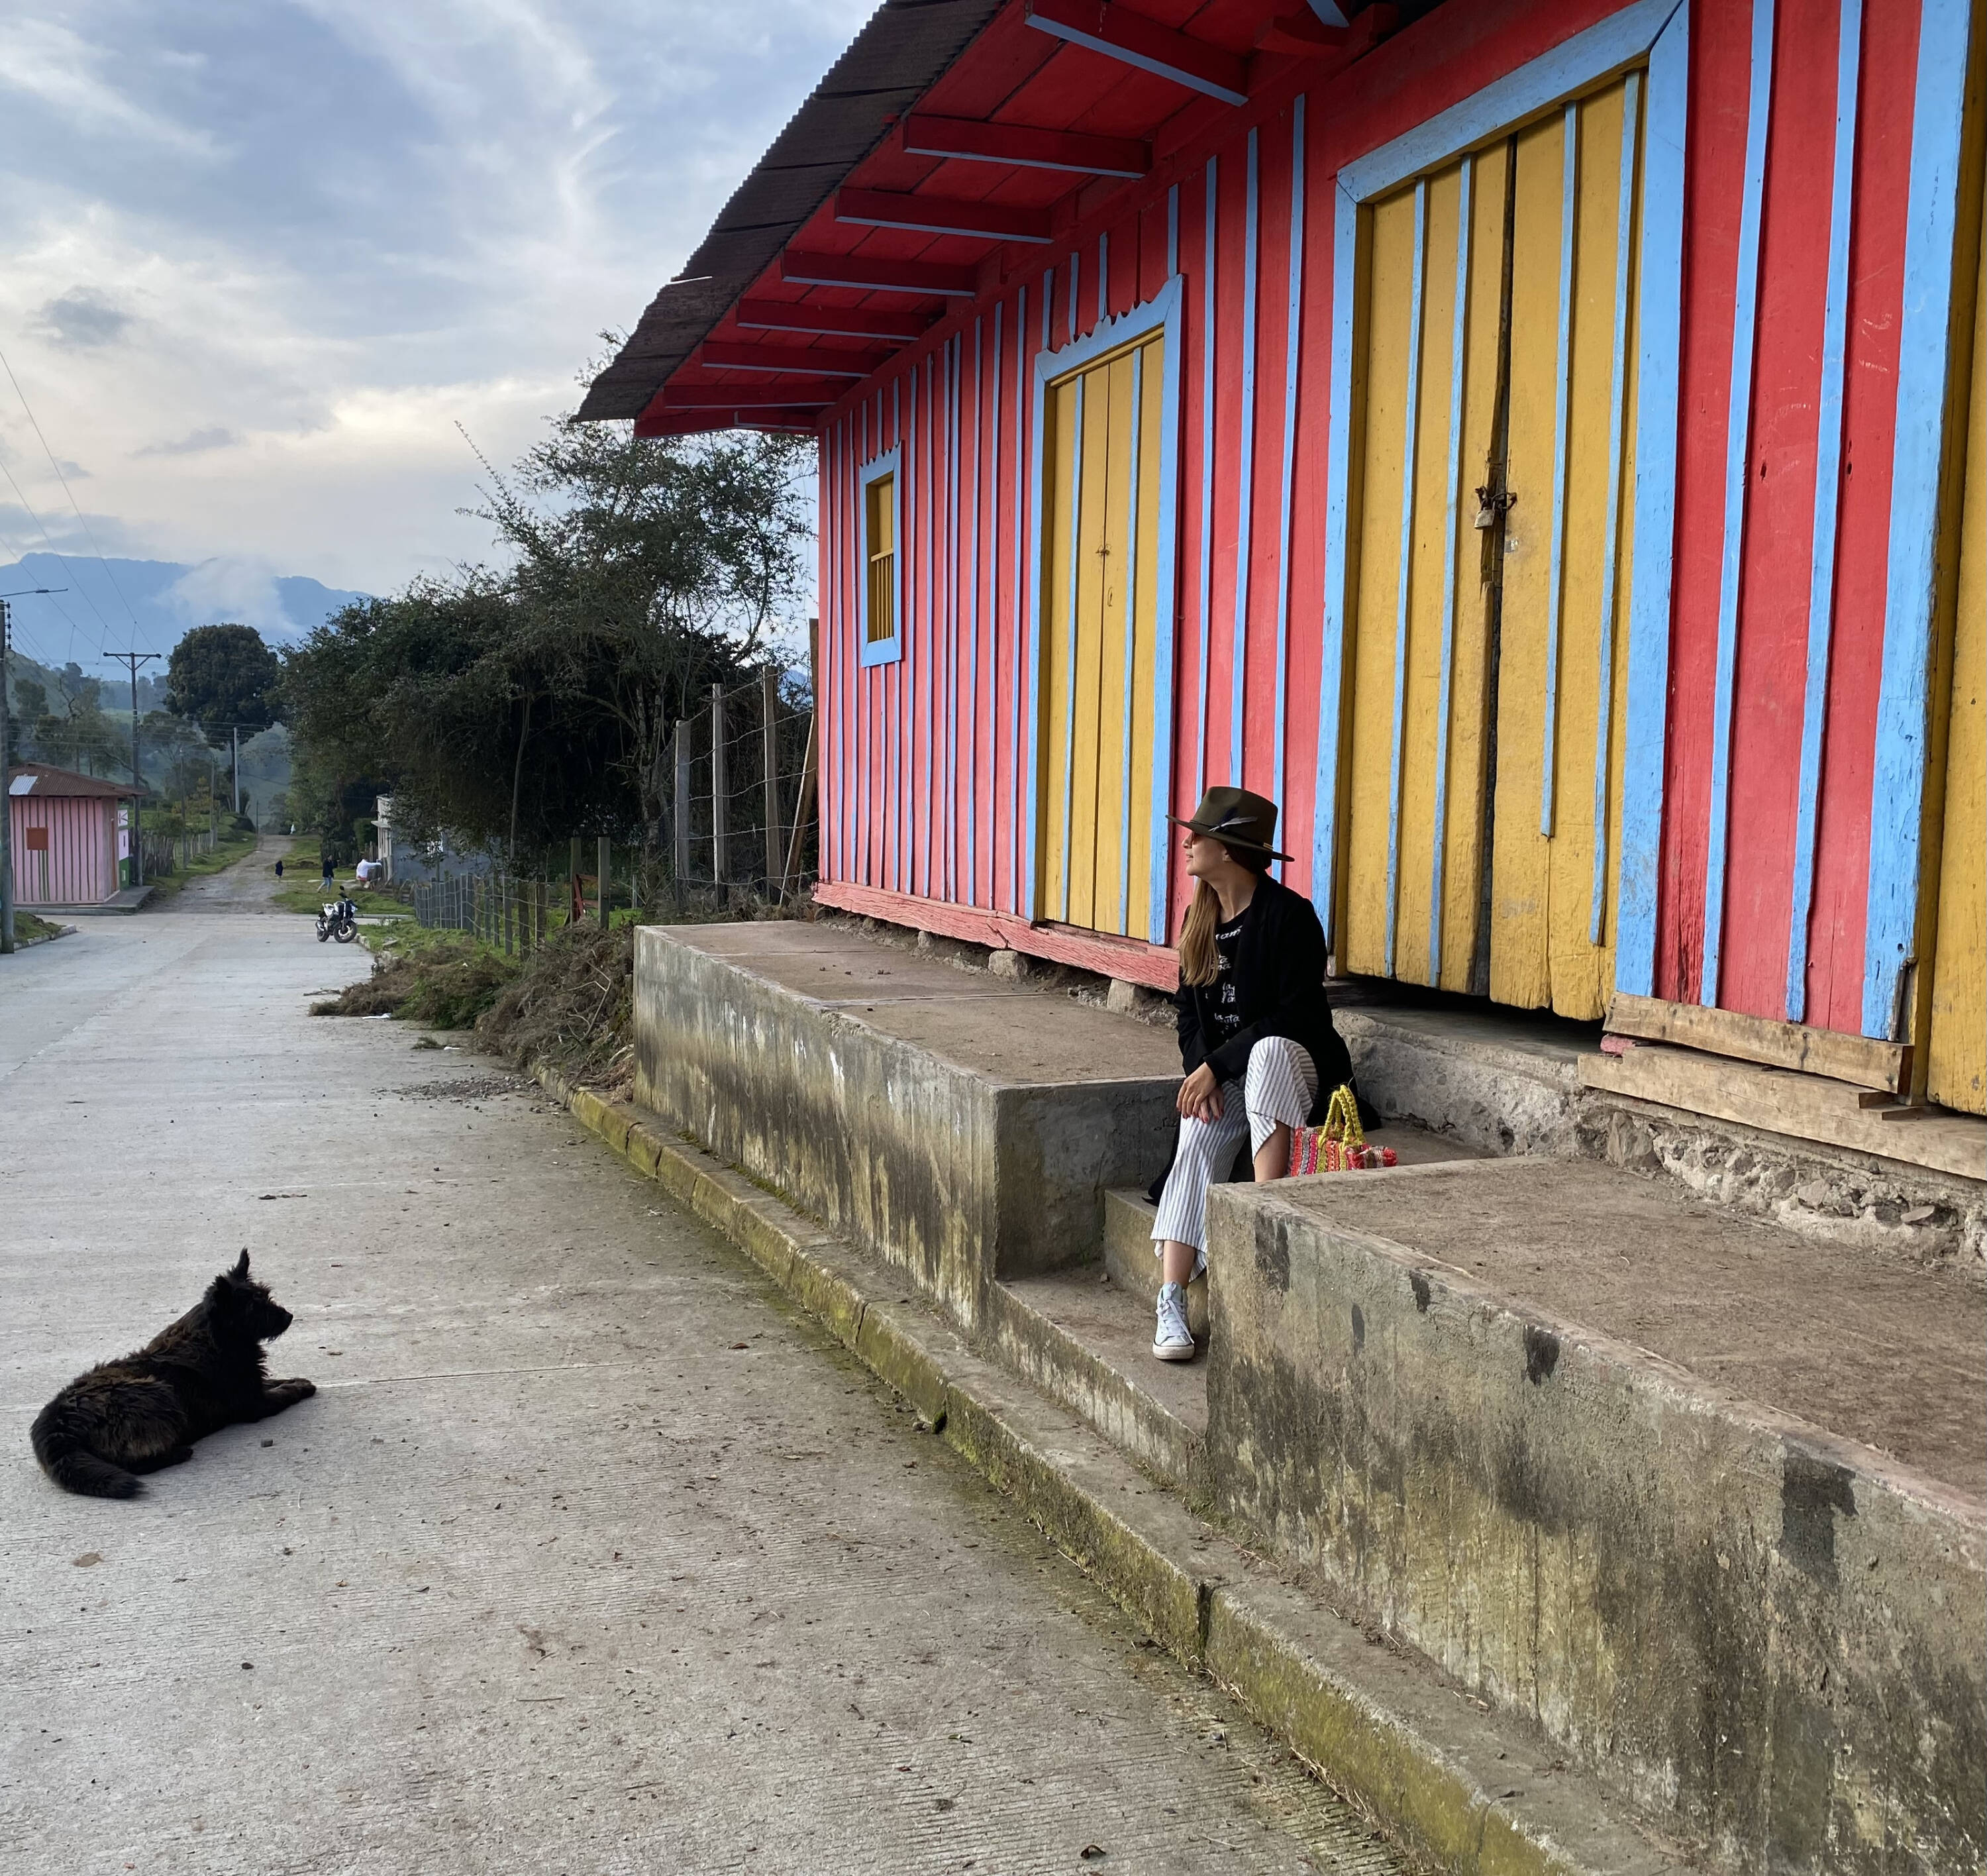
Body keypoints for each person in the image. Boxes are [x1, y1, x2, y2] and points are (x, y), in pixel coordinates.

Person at [1148, 786, 1353, 1363]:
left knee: (1264, 1055)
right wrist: (1201, 1075)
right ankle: (1171, 1299)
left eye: (1200, 835)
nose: (1187, 843)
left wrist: (1217, 1065)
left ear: (1231, 850)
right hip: (1229, 1079)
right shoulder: (1199, 919)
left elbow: (1297, 1015)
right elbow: (1187, 1014)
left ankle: (1266, 1214)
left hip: (1297, 1069)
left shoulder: (1289, 917)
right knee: (1196, 1133)